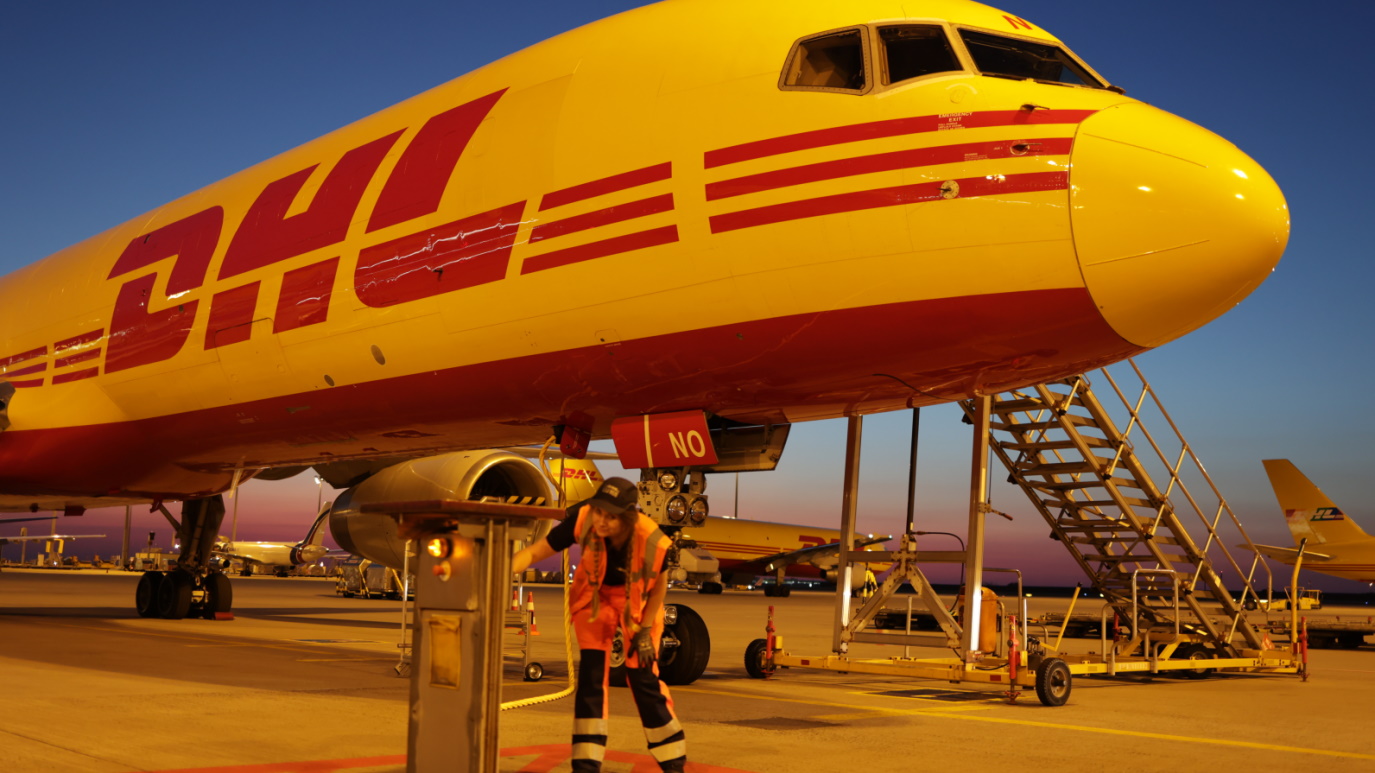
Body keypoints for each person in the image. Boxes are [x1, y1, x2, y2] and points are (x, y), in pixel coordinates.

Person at [512, 477, 686, 773]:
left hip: (639, 606)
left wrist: (644, 631)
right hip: (596, 602)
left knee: (643, 681)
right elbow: (535, 552)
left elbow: (659, 587)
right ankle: (586, 766)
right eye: (599, 512)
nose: (602, 521)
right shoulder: (584, 519)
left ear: (628, 516)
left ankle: (673, 763)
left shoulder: (651, 537)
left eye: (611, 516)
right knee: (592, 680)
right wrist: (502, 568)